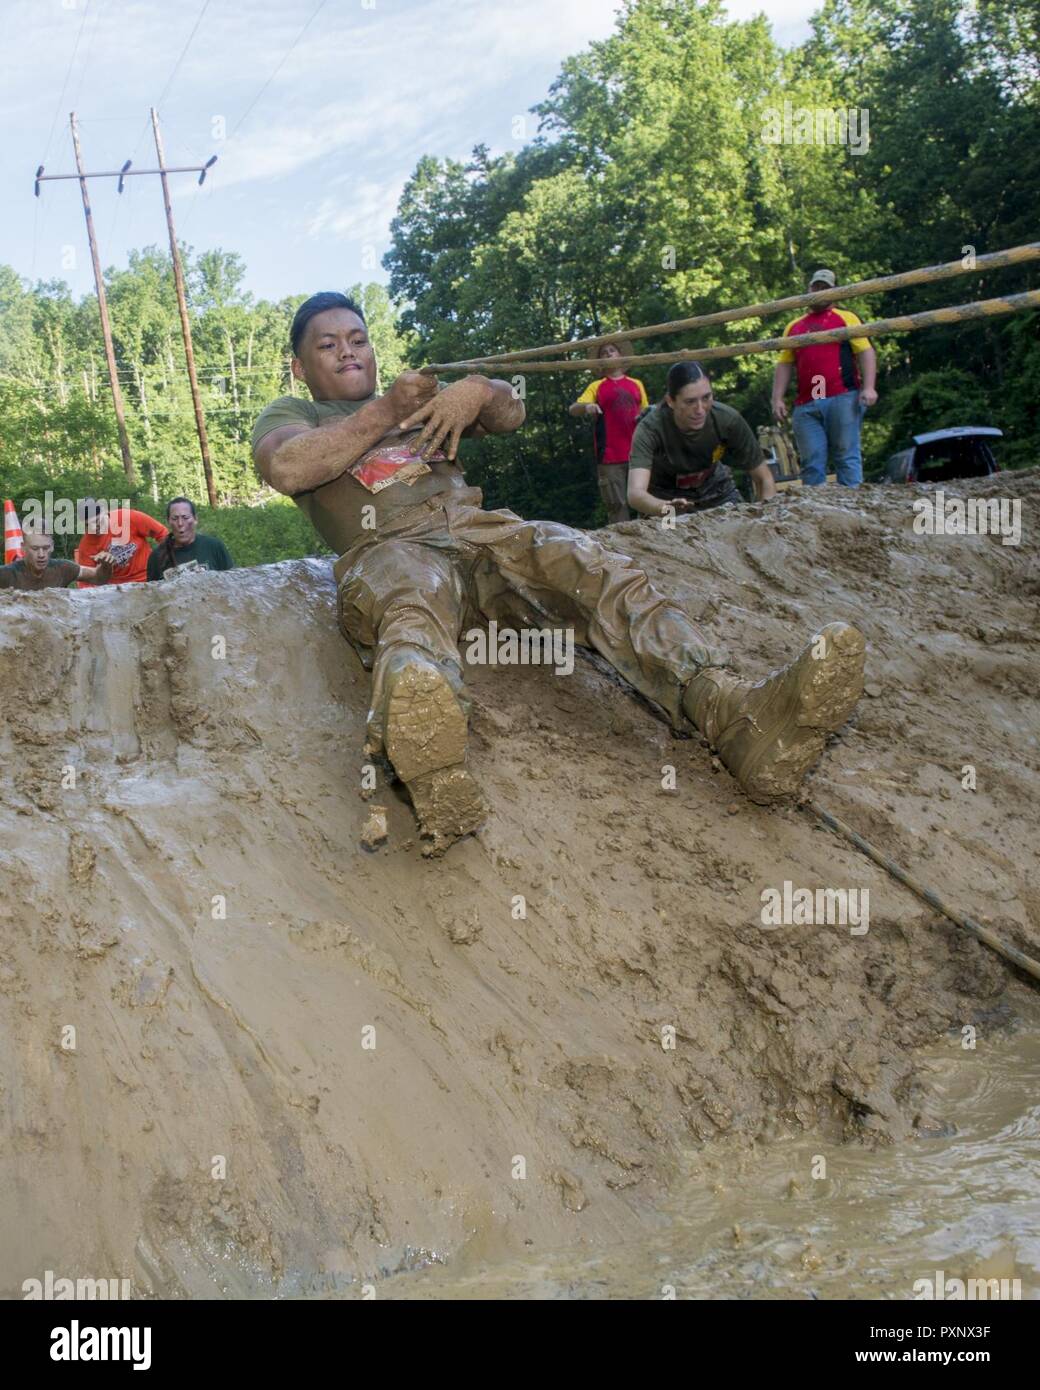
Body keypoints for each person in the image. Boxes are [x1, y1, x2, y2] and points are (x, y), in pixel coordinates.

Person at [252, 291, 864, 852]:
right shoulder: (294, 411)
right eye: (327, 345)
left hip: (477, 528)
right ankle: (433, 774)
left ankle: (735, 718)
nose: (347, 352)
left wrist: (480, 391)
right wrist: (385, 412)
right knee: (409, 610)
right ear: (301, 366)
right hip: (387, 545)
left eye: (357, 338)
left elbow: (510, 412)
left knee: (593, 566)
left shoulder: (421, 397)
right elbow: (288, 468)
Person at [771, 268, 878, 487]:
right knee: (811, 461)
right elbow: (784, 363)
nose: (819, 292)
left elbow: (865, 352)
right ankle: (816, 512)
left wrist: (869, 387)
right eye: (816, 287)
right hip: (807, 402)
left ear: (835, 292)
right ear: (809, 289)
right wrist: (777, 398)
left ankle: (854, 509)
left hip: (843, 395)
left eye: (825, 288)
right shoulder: (794, 326)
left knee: (846, 455)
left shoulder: (846, 318)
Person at [628, 363, 776, 517]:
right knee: (667, 535)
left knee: (739, 530)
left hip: (717, 491)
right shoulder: (650, 429)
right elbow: (635, 494)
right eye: (690, 402)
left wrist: (765, 521)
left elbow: (764, 479)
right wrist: (664, 508)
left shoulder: (727, 420)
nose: (700, 410)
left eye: (706, 398)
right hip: (664, 500)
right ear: (670, 401)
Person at [568, 341, 648, 525]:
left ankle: (652, 542)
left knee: (645, 500)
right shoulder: (597, 386)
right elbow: (573, 408)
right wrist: (588, 406)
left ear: (620, 355)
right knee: (616, 505)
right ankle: (622, 548)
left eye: (612, 350)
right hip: (610, 454)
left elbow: (646, 412)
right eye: (604, 353)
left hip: (639, 452)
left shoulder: (636, 384)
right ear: (601, 362)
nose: (609, 354)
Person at [76, 501, 168, 584]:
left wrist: (166, 563)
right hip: (118, 588)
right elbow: (86, 581)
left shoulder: (128, 517)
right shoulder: (86, 544)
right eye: (88, 524)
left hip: (149, 577)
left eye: (96, 521)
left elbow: (162, 534)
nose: (94, 527)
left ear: (104, 511)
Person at [0, 522, 113, 590]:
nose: (41, 555)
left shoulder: (63, 569)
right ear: (23, 548)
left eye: (45, 548)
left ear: (52, 546)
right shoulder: (7, 574)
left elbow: (99, 578)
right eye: (35, 549)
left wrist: (106, 565)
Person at [147, 498, 233, 580]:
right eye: (175, 518)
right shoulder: (157, 556)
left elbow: (232, 582)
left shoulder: (214, 547)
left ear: (195, 519)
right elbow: (152, 592)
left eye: (185, 518)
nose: (180, 523)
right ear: (168, 521)